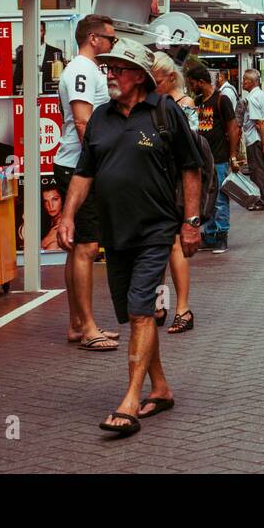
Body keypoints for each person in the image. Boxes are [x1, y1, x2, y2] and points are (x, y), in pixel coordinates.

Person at [58, 38, 203, 437]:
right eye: (108, 69)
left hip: (156, 230)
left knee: (141, 312)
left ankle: (130, 401)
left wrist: (191, 221)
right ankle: (161, 388)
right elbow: (84, 172)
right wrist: (68, 216)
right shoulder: (101, 118)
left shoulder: (165, 113)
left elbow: (191, 168)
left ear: (139, 75)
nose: (110, 75)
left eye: (118, 69)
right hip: (113, 233)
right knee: (133, 312)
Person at [53, 15, 118, 349]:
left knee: (80, 246)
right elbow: (82, 121)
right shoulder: (81, 69)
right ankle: (87, 327)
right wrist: (100, 161)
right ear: (93, 39)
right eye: (111, 38)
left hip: (78, 162)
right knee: (87, 247)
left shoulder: (89, 70)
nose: (113, 44)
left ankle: (78, 323)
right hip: (79, 165)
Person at [152, 52, 198, 334]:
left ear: (170, 78)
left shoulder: (183, 104)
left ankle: (182, 307)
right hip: (155, 182)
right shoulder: (150, 104)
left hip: (175, 183)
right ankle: (160, 302)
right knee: (156, 247)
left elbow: (190, 152)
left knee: (173, 245)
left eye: (155, 79)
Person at [186, 62, 240, 253]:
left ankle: (221, 235)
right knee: (205, 198)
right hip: (202, 159)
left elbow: (233, 128)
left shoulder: (222, 100)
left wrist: (233, 156)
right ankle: (208, 235)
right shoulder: (197, 101)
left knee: (219, 198)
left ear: (201, 82)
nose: (191, 87)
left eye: (192, 83)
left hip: (219, 157)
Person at [239, 67, 264, 211]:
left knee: (258, 172)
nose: (243, 82)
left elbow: (258, 123)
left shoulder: (252, 99)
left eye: (244, 80)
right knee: (262, 172)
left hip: (256, 139)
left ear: (252, 82)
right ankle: (260, 199)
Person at [13, 20, 66, 94]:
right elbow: (17, 79)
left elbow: (62, 79)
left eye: (40, 31)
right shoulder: (22, 54)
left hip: (51, 96)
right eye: (35, 31)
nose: (37, 34)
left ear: (44, 32)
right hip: (30, 96)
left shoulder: (55, 52)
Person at [39, 185, 64, 251]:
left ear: (62, 200)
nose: (51, 205)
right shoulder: (47, 222)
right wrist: (46, 239)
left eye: (55, 199)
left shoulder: (61, 227)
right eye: (46, 201)